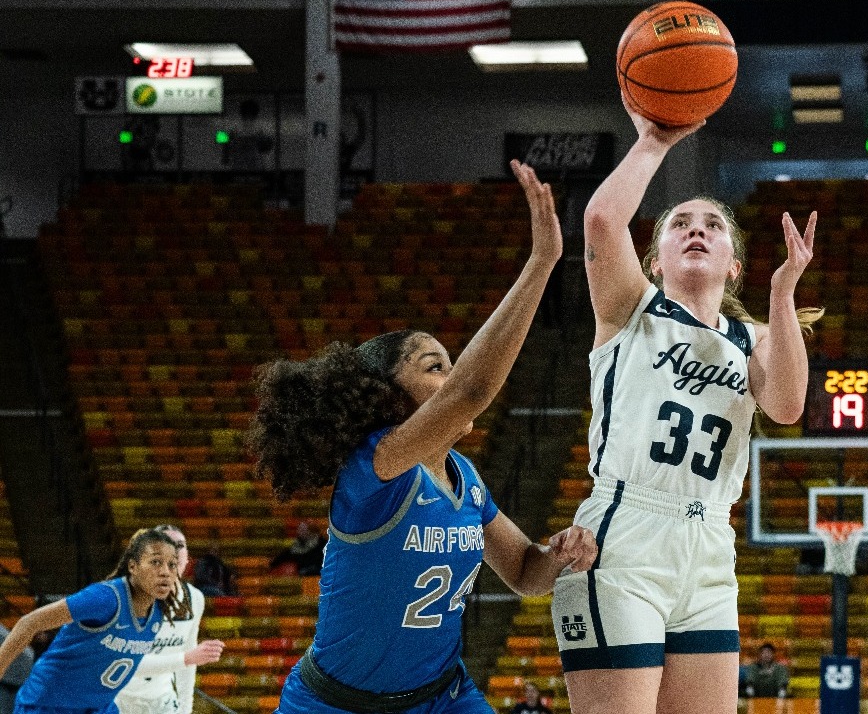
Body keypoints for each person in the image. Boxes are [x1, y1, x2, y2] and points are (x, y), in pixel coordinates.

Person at [248, 160, 599, 714]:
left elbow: (525, 574)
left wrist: (555, 554)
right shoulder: (375, 468)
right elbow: (472, 391)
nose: (451, 378)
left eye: (451, 366)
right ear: (388, 394)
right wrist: (540, 264)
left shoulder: (466, 479)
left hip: (442, 697)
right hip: (335, 704)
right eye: (435, 366)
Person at [550, 103, 821, 714]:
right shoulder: (629, 309)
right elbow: (600, 221)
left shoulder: (753, 340)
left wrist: (783, 293)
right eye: (679, 224)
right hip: (625, 535)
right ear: (654, 260)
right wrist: (652, 141)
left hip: (709, 542)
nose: (696, 230)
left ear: (734, 264)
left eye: (712, 226)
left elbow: (786, 405)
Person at [0, 529, 183, 711]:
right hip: (49, 703)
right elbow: (29, 623)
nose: (165, 572)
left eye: (172, 565)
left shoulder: (159, 610)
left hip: (97, 707)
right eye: (156, 562)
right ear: (132, 566)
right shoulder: (105, 598)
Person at [117, 525, 226, 714]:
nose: (175, 550)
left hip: (163, 702)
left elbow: (187, 667)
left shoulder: (195, 598)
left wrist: (185, 709)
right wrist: (186, 658)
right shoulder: (127, 597)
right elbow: (126, 663)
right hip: (120, 699)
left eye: (180, 545)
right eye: (167, 544)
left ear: (188, 557)